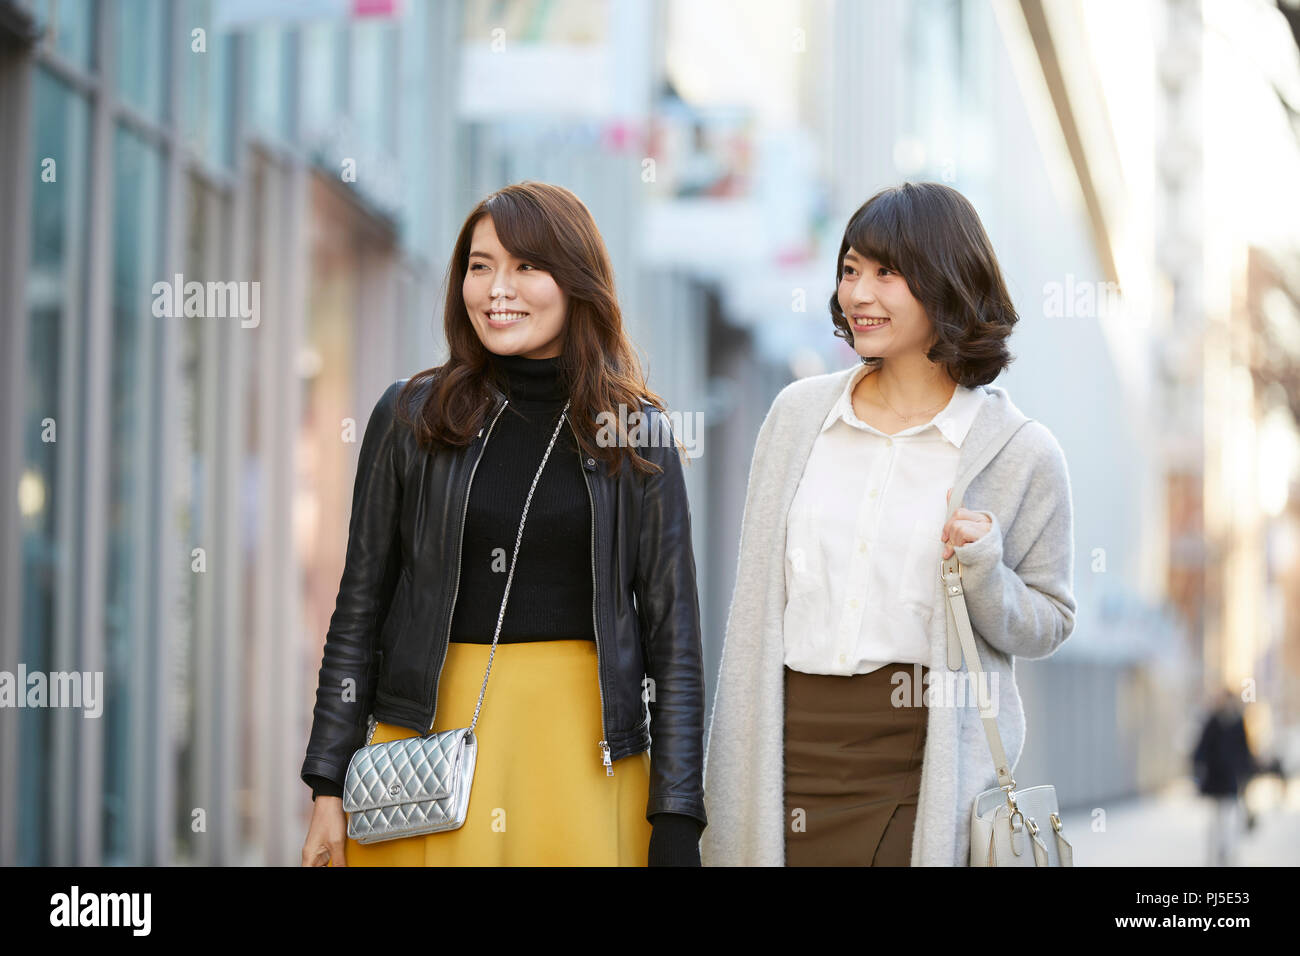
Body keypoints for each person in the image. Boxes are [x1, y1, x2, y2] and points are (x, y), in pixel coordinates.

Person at [300, 181, 707, 866]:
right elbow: (358, 609)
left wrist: (676, 817)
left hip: (584, 757)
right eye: (480, 266)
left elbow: (677, 645)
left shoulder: (634, 433)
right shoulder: (411, 417)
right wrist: (325, 784)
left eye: (526, 266)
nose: (497, 288)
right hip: (424, 756)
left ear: (576, 281)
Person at [701, 181, 1078, 866]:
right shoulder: (796, 417)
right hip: (782, 758)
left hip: (919, 770)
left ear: (946, 282)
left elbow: (1050, 618)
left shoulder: (1020, 452)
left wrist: (986, 569)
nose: (858, 294)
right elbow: (752, 605)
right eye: (849, 270)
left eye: (886, 273)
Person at [1192, 688, 1256, 866]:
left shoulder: (1237, 723)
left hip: (1230, 779)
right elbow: (1201, 749)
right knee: (1215, 820)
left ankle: (1228, 853)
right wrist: (1198, 771)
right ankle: (1215, 853)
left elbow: (1245, 751)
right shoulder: (1213, 722)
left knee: (1229, 818)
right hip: (1214, 779)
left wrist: (1246, 774)